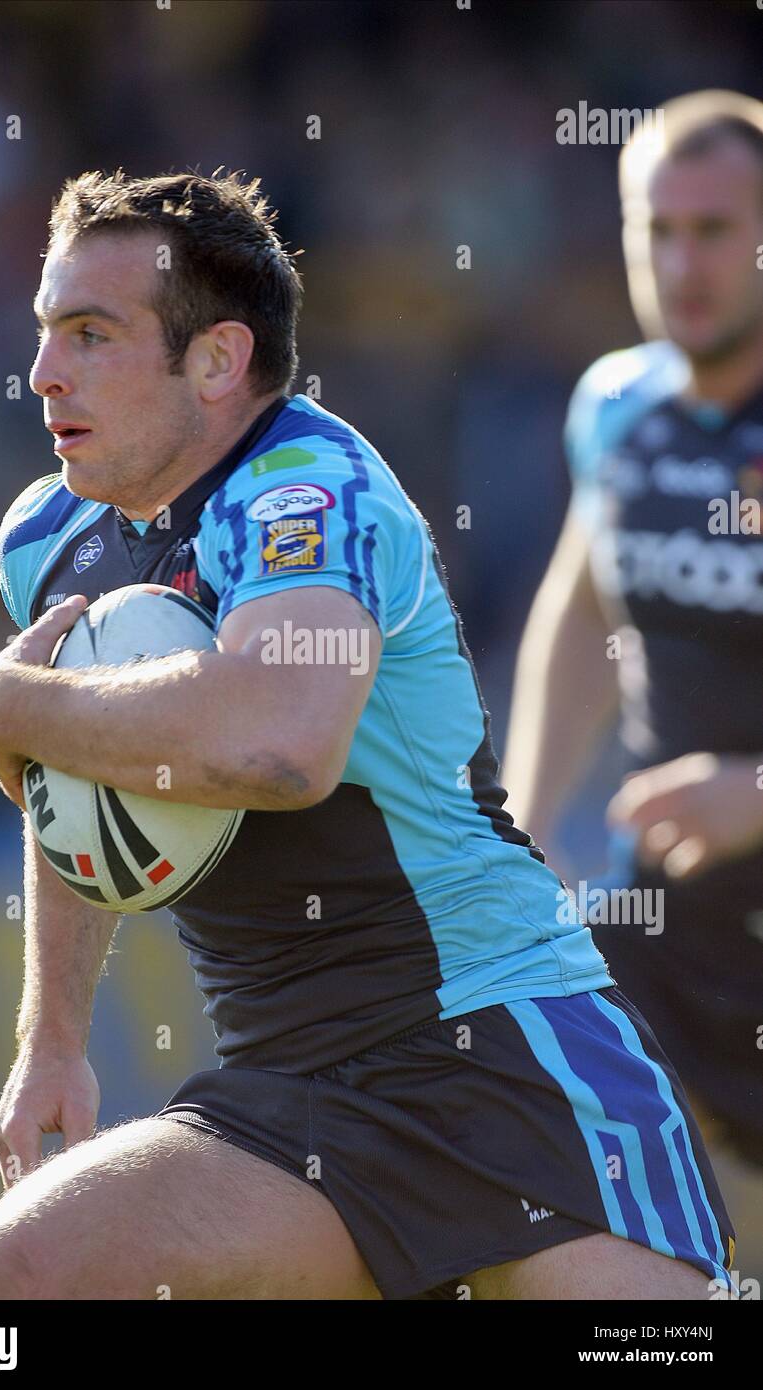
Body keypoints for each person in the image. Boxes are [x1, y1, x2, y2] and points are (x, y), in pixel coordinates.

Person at [0, 169, 733, 1301]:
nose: (45, 371)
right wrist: (52, 1035)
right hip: (286, 1092)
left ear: (216, 362)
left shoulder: (311, 483)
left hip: (511, 1058)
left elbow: (279, 747)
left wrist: (4, 706)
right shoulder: (48, 537)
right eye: (46, 330)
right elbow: (79, 783)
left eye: (92, 334)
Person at [504, 93, 763, 1217]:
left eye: (713, 229)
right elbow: (581, 602)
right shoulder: (613, 405)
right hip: (664, 925)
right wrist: (520, 823)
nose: (681, 261)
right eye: (654, 229)